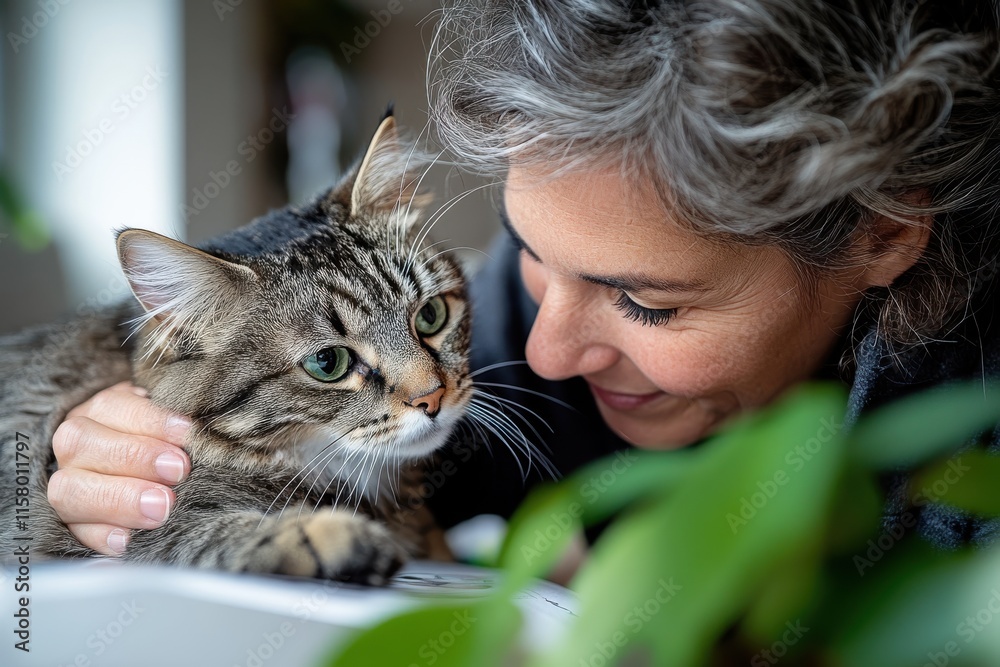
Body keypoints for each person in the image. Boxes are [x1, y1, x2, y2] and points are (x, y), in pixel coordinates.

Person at [46, 0, 1000, 557]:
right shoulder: (507, 318)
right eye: (531, 251)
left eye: (646, 302)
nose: (542, 352)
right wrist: (119, 458)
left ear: (882, 233)